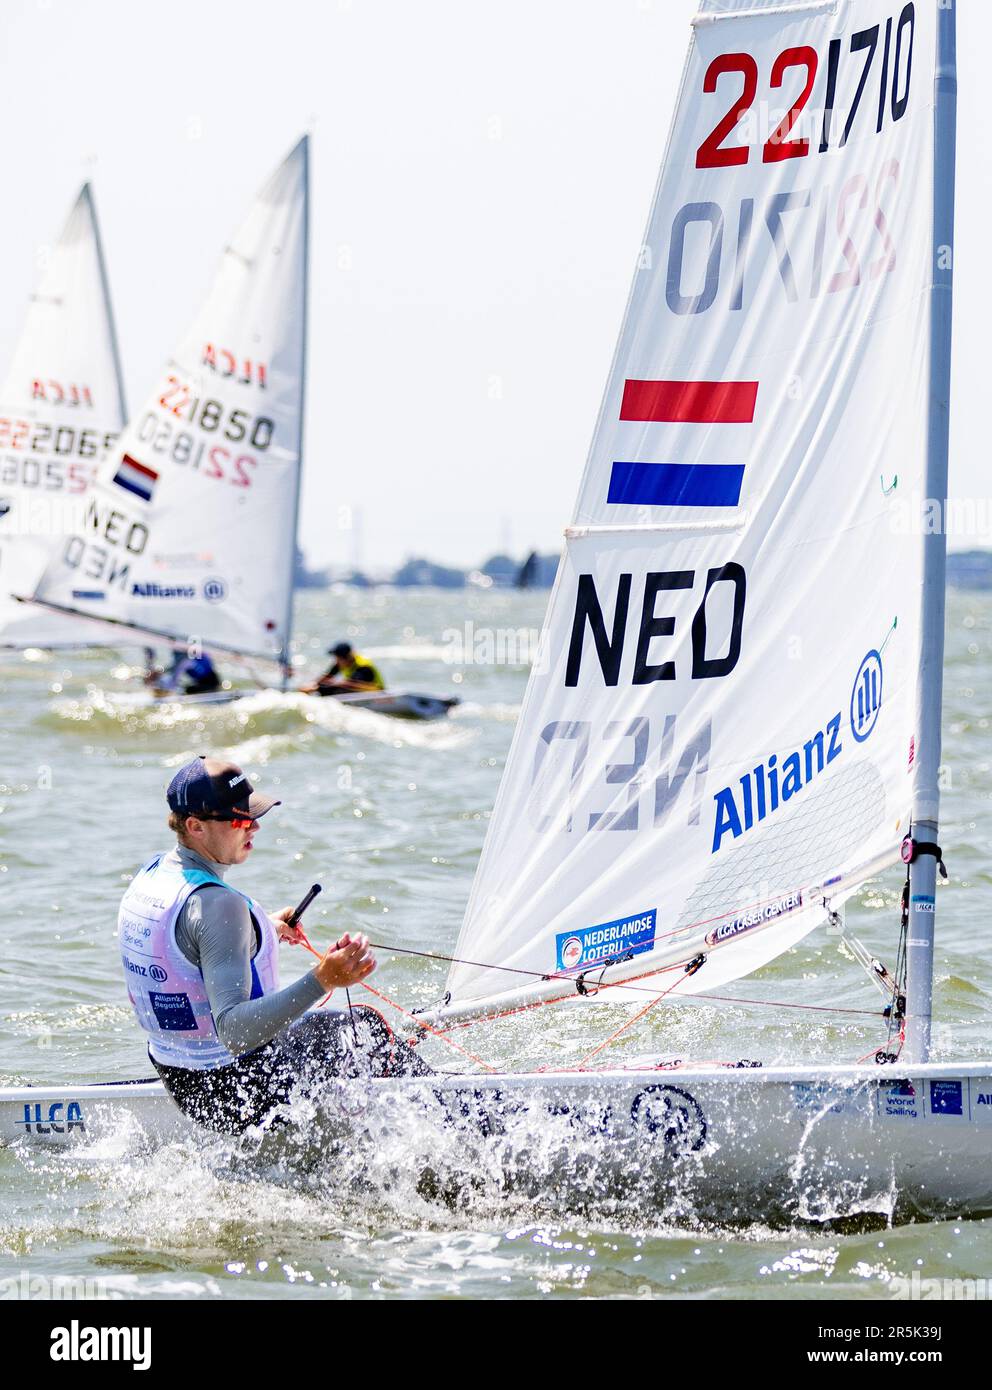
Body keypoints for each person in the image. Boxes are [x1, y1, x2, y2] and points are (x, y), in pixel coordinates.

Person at [118, 755, 432, 1134]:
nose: (254, 826)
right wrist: (323, 978)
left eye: (253, 815)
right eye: (239, 820)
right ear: (195, 826)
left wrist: (261, 929)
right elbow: (234, 1033)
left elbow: (183, 947)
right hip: (239, 1092)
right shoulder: (219, 906)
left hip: (183, 1082)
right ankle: (461, 1115)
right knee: (364, 1029)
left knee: (332, 1033)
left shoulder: (154, 876)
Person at [300, 642, 385, 697]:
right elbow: (327, 677)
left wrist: (317, 689)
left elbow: (350, 685)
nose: (336, 660)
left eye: (337, 658)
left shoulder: (363, 667)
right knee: (326, 688)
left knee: (332, 689)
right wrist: (312, 685)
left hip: (377, 694)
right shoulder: (341, 663)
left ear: (345, 658)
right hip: (356, 691)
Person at [145, 645, 222, 697]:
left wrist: (173, 681)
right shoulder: (198, 663)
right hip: (207, 681)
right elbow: (181, 664)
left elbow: (184, 663)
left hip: (210, 683)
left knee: (187, 690)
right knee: (185, 689)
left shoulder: (198, 663)